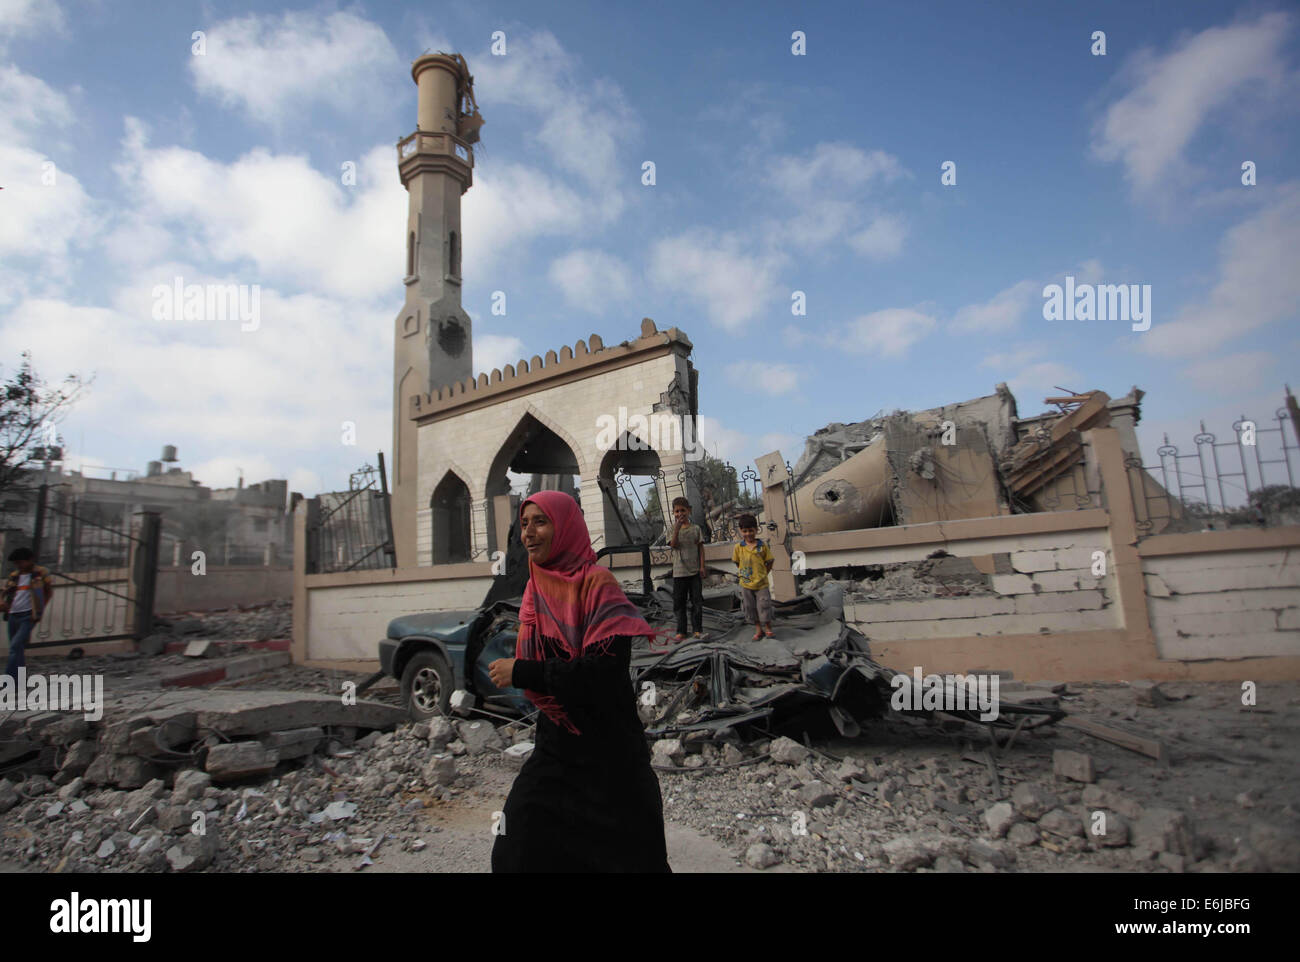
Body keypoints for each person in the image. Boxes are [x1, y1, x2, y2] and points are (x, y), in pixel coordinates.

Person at [487, 490, 670, 873]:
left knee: (633, 857)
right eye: (524, 524)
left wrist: (522, 672)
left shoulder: (598, 585)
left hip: (610, 752)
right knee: (516, 847)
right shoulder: (536, 589)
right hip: (557, 747)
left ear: (565, 526)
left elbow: (602, 673)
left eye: (540, 522)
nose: (529, 533)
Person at [1, 547, 55, 680]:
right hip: (13, 614)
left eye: (21, 562)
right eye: (16, 563)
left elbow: (48, 591)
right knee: (17, 648)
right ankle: (19, 680)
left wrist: (39, 610)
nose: (19, 565)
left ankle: (8, 680)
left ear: (30, 560)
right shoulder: (15, 576)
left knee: (15, 646)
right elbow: (5, 591)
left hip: (28, 615)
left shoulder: (40, 573)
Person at [731, 514, 774, 640]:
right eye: (745, 531)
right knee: (750, 607)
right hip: (746, 584)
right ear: (741, 531)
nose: (748, 533)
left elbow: (770, 561)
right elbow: (737, 562)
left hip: (761, 584)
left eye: (751, 530)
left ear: (756, 530)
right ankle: (758, 629)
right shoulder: (738, 548)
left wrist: (763, 573)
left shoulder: (762, 546)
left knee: (764, 605)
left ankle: (768, 627)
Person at [668, 496, 705, 642]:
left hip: (694, 571)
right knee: (679, 602)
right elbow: (673, 545)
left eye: (682, 510)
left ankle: (697, 629)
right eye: (677, 511)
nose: (680, 514)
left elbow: (701, 549)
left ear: (689, 511)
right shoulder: (672, 529)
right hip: (679, 572)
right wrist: (676, 529)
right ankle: (681, 630)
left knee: (696, 601)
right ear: (673, 513)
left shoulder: (696, 529)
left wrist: (702, 566)